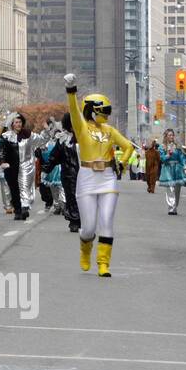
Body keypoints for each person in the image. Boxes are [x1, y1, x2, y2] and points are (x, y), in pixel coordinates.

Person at [66, 73, 134, 277]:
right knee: (88, 228)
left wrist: (121, 164)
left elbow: (129, 147)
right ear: (92, 110)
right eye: (103, 111)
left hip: (107, 178)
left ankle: (104, 263)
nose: (106, 114)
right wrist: (71, 90)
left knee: (106, 221)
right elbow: (74, 112)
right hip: (86, 178)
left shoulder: (110, 130)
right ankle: (85, 248)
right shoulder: (81, 128)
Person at [0, 116, 28, 221]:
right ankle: (18, 211)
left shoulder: (26, 136)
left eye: (20, 122)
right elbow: (0, 151)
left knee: (24, 188)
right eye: (16, 122)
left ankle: (24, 208)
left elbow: (35, 145)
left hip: (24, 167)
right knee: (14, 190)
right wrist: (2, 161)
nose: (19, 124)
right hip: (10, 167)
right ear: (12, 124)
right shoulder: (6, 137)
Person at [158, 129, 186, 215]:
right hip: (168, 169)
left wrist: (185, 166)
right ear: (166, 136)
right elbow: (162, 159)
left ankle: (175, 207)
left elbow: (182, 157)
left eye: (172, 135)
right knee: (170, 188)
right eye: (169, 135)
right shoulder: (162, 147)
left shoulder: (177, 147)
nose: (171, 137)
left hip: (177, 169)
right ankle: (171, 207)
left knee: (177, 189)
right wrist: (168, 155)